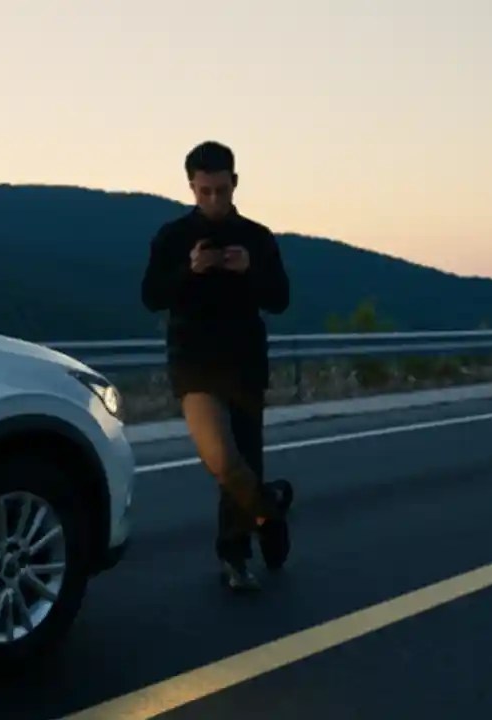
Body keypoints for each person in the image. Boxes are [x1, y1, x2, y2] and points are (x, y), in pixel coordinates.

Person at [140, 140, 294, 591]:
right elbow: (151, 297)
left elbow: (281, 299)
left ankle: (236, 557)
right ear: (191, 186)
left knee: (246, 460)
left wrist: (250, 270)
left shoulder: (258, 238)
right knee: (223, 459)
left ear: (235, 183)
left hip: (245, 361)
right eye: (204, 191)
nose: (213, 199)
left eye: (221, 190)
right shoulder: (172, 237)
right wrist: (190, 270)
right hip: (193, 363)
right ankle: (270, 511)